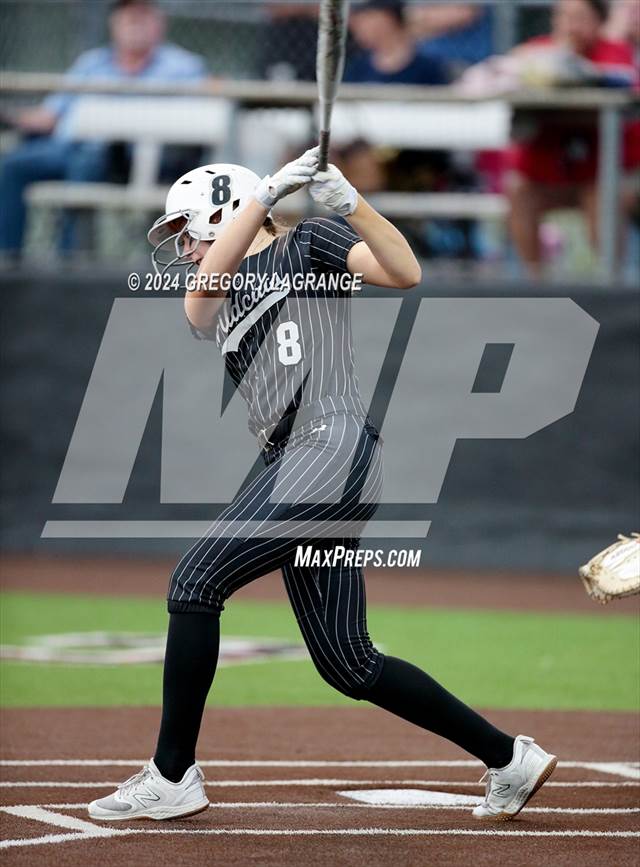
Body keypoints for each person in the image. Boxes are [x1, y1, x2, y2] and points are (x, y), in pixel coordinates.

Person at [86, 147, 557, 823]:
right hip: (300, 458)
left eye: (189, 230)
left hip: (329, 446)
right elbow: (197, 305)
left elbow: (405, 271)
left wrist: (349, 204)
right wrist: (268, 194)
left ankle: (171, 774)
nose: (185, 248)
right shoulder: (218, 285)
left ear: (221, 213)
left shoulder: (310, 240)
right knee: (348, 662)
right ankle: (508, 756)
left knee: (194, 583)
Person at [0, 0, 207, 257]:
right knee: (12, 165)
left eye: (143, 16)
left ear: (160, 23)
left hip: (133, 157)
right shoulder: (92, 63)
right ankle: (9, 262)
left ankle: (70, 264)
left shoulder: (182, 66)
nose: (135, 24)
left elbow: (195, 122)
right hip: (70, 147)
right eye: (128, 17)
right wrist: (12, 117)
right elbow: (49, 115)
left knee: (86, 163)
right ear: (114, 24)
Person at [505, 0, 638, 276]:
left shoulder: (613, 52)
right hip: (550, 175)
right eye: (563, 16)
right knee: (518, 190)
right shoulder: (540, 50)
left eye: (579, 17)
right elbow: (514, 64)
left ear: (598, 22)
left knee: (604, 196)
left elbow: (618, 87)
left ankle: (611, 286)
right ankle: (535, 284)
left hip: (600, 174)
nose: (570, 25)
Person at [345, 0, 449, 85]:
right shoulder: (357, 67)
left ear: (387, 20)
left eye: (367, 19)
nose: (358, 27)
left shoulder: (428, 67)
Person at [408, 3, 495, 74]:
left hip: (481, 54)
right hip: (439, 58)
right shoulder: (428, 48)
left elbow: (466, 13)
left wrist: (420, 17)